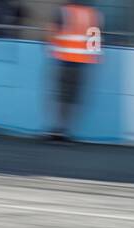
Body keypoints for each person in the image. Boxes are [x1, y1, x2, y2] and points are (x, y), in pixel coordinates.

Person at [50, 3, 102, 141]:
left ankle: (58, 129)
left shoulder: (64, 10)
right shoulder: (93, 14)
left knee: (61, 95)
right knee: (73, 98)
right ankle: (66, 130)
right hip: (81, 63)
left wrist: (53, 49)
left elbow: (53, 32)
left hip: (64, 59)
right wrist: (92, 57)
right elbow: (94, 43)